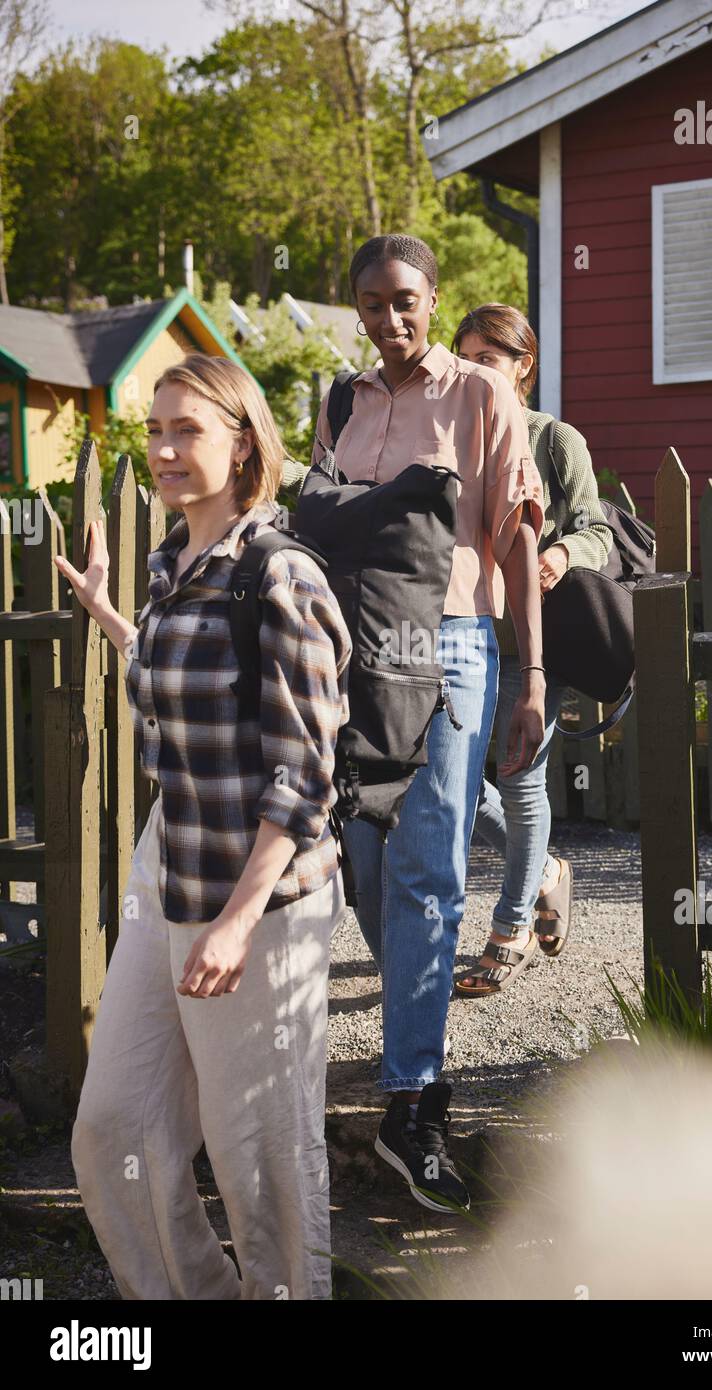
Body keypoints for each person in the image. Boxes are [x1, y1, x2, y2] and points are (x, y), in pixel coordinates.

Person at [62, 353, 351, 1300]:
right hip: (169, 864)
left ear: (243, 439)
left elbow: (305, 770)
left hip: (259, 896)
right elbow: (177, 673)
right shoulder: (172, 564)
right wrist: (110, 612)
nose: (165, 448)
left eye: (188, 429)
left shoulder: (281, 575)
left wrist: (237, 917)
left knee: (258, 1156)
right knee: (113, 1126)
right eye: (154, 430)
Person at [310, 235, 545, 1213]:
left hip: (448, 643)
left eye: (405, 300)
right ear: (358, 309)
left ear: (433, 298)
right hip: (359, 647)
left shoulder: (483, 398)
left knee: (425, 870)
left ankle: (415, 1104)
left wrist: (529, 675)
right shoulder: (346, 404)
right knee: (361, 856)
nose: (390, 319)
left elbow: (518, 536)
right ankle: (415, 1030)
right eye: (371, 304)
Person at [452, 304, 612, 997]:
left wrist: (562, 553)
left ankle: (509, 923)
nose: (471, 370)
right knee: (450, 781)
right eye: (463, 358)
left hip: (529, 644)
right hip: (459, 635)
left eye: (486, 358)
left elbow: (598, 532)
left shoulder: (555, 439)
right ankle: (545, 871)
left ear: (522, 366)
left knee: (519, 781)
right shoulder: (450, 438)